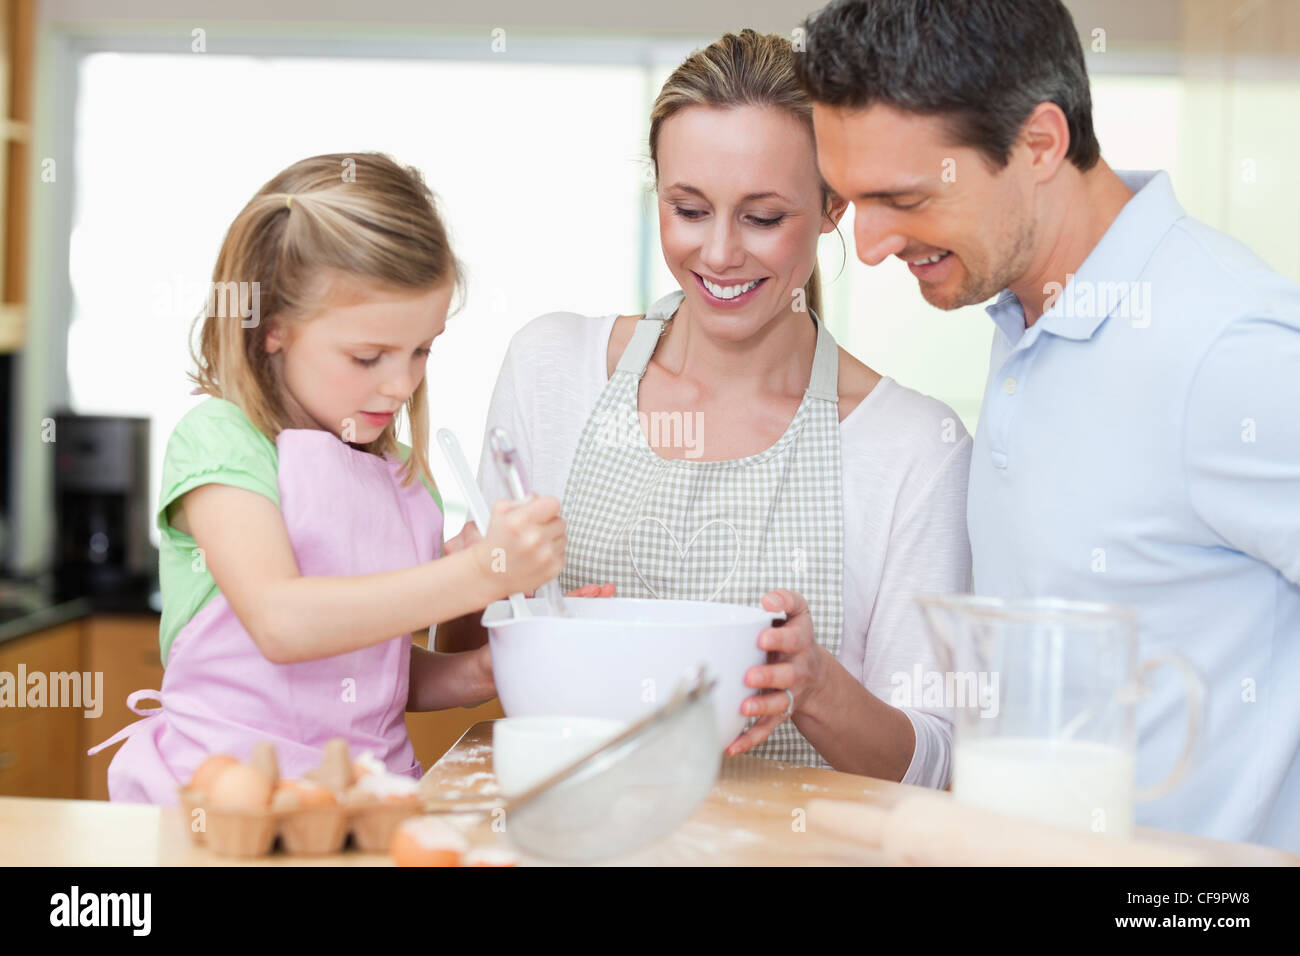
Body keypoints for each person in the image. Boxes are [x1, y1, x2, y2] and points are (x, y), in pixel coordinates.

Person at [797, 0, 1300, 848]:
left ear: (1039, 144)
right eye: (851, 201)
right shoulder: (1027, 317)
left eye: (902, 198)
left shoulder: (1227, 348)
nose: (871, 244)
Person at [467, 30, 972, 784]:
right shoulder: (550, 368)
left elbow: (934, 763)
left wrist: (819, 689)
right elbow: (469, 650)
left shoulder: (912, 446)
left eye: (764, 217)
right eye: (690, 209)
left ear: (834, 205)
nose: (721, 253)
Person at [88, 153, 568, 804]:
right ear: (272, 332)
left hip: (366, 800)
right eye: (368, 356)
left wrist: (494, 665)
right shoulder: (222, 445)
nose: (401, 384)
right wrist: (476, 574)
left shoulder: (401, 479)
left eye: (422, 349)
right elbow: (284, 624)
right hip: (223, 808)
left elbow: (372, 675)